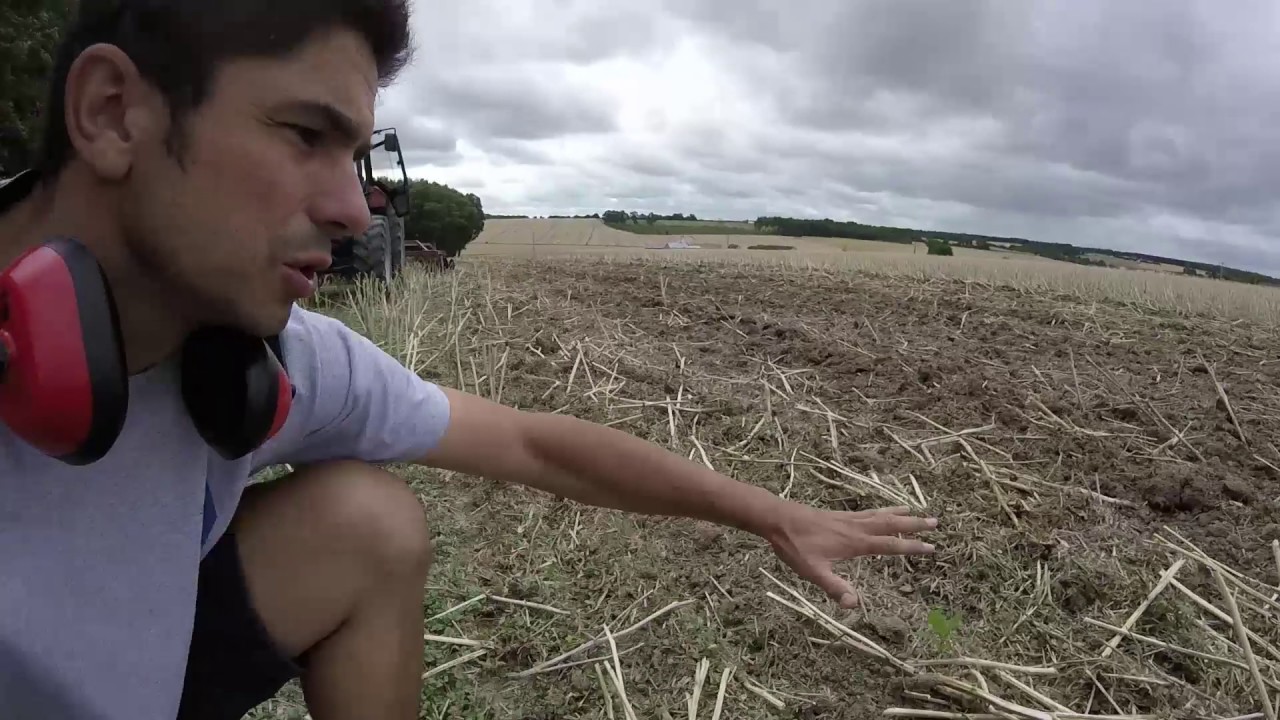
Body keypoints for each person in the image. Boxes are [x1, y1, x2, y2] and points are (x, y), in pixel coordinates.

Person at [0, 1, 939, 719]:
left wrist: (771, 514)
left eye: (358, 154)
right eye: (304, 136)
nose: (354, 211)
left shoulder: (270, 362)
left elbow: (532, 445)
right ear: (113, 112)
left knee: (366, 521)